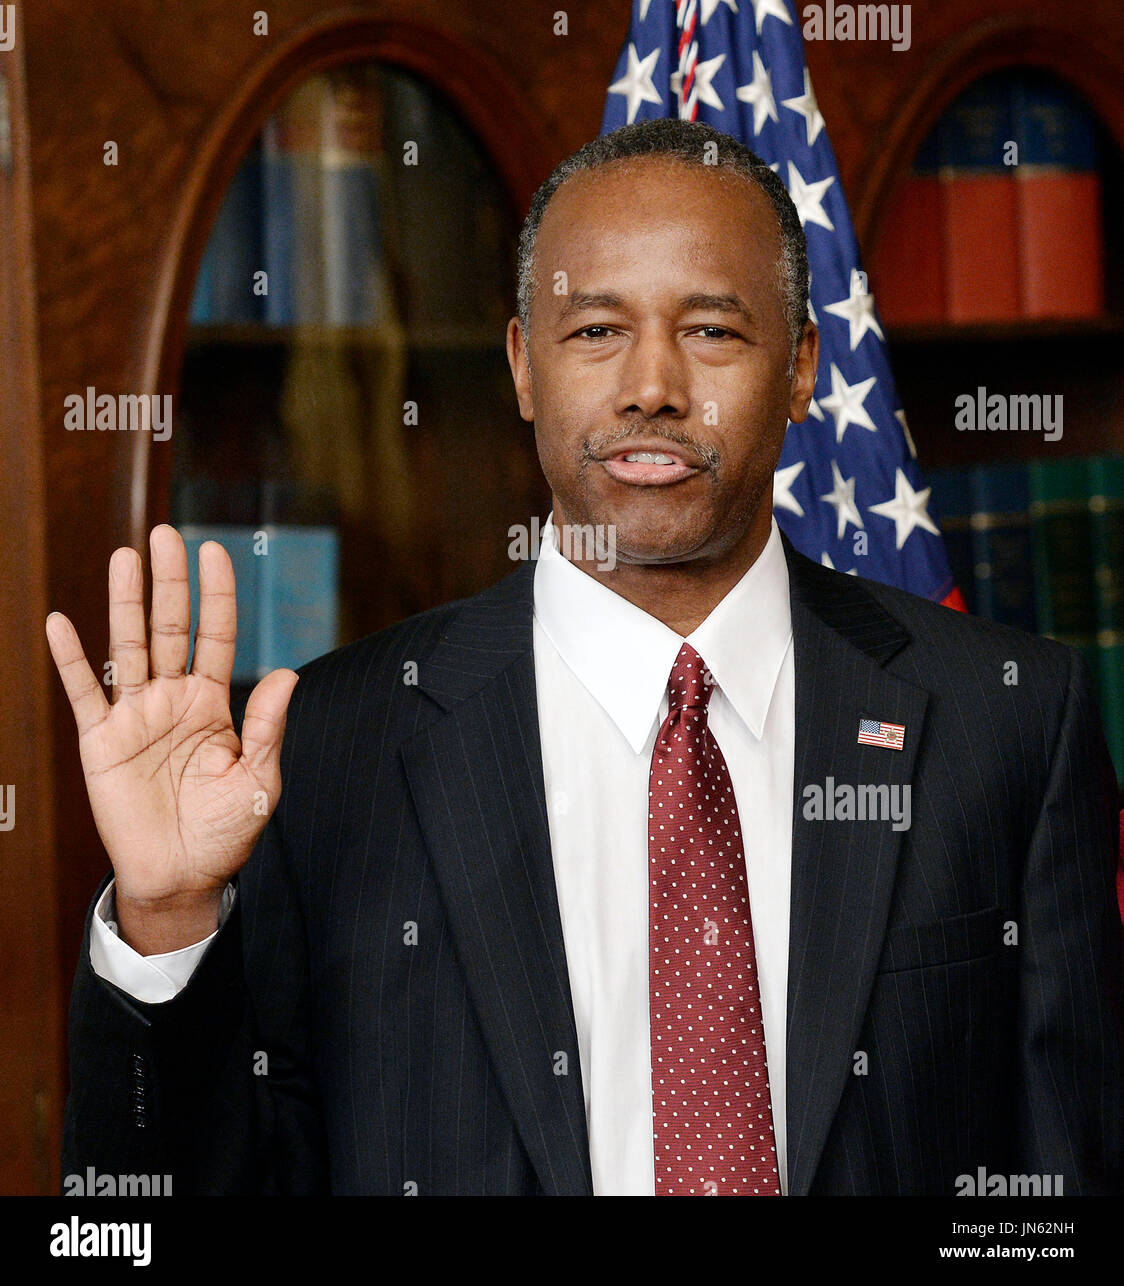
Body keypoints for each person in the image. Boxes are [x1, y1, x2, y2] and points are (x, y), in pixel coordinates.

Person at [48, 119, 1123, 1196]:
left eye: (709, 331)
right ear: (522, 364)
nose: (649, 386)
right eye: (595, 330)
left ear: (799, 369)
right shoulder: (327, 751)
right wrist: (166, 922)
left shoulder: (1007, 723)